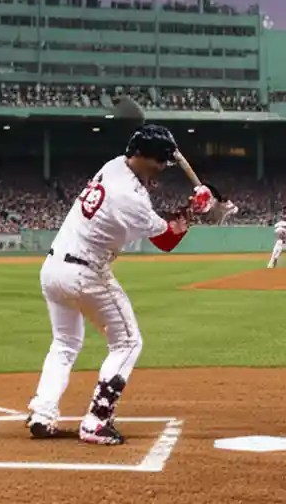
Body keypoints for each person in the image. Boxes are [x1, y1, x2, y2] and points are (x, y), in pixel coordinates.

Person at [25, 124, 215, 445]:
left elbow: (152, 203)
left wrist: (190, 207)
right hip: (86, 274)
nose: (160, 169)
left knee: (65, 344)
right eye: (158, 162)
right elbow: (166, 239)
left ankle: (42, 412)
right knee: (128, 343)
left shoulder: (114, 165)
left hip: (54, 268)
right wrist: (195, 210)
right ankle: (97, 421)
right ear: (142, 156)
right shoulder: (130, 200)